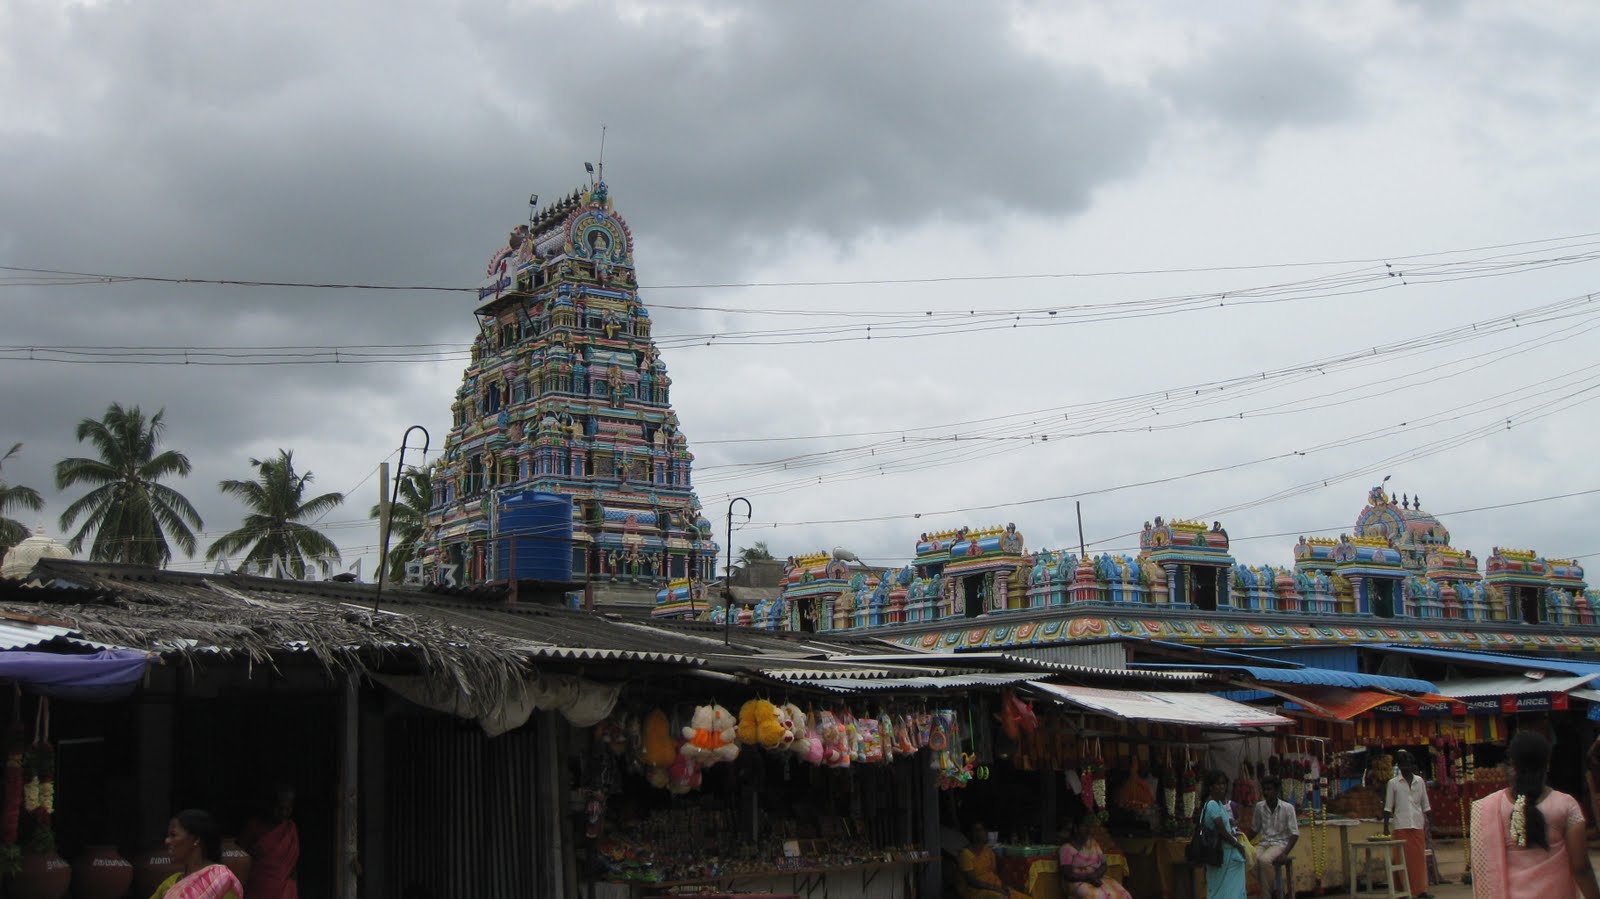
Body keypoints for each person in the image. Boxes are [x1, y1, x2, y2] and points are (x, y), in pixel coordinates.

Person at [1471, 730, 1600, 899]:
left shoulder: (1489, 807)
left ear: (1512, 764)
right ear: (1547, 764)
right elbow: (1581, 868)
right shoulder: (1565, 805)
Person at [151, 809, 245, 899]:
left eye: (173, 835)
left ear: (196, 839)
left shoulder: (221, 880)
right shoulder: (171, 882)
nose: (167, 841)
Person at [1381, 750, 1432, 899]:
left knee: (1418, 861)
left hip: (1417, 825)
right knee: (1402, 860)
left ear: (1412, 765)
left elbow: (1426, 805)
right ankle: (1403, 890)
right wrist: (1385, 828)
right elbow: (1388, 807)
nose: (1405, 768)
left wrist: (1431, 825)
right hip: (1400, 826)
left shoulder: (1420, 781)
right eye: (1401, 765)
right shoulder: (1393, 783)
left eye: (1407, 765)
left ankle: (1420, 891)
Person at [239, 782, 300, 899]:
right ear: (270, 805)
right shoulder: (254, 827)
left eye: (288, 809)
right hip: (258, 888)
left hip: (285, 890)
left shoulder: (290, 829)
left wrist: (292, 890)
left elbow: (293, 865)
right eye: (280, 808)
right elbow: (239, 857)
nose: (283, 813)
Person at [1249, 775, 1300, 899]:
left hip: (1280, 844)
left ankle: (1266, 895)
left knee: (1264, 860)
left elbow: (1294, 834)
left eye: (1269, 789)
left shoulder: (1288, 808)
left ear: (1276, 791)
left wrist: (1285, 853)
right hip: (1264, 843)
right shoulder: (1259, 807)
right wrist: (1243, 843)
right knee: (1249, 858)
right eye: (1264, 790)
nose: (1266, 792)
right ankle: (1273, 890)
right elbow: (1255, 829)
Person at [1058, 815, 1131, 899]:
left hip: (1096, 879)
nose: (1088, 829)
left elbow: (1104, 865)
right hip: (1076, 882)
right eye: (1084, 826)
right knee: (1098, 896)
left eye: (1088, 826)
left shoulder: (1093, 843)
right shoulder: (1066, 848)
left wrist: (1095, 876)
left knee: (1122, 894)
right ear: (1076, 828)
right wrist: (1088, 878)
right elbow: (1067, 874)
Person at [1200, 770, 1247, 899]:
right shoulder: (1212, 804)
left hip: (1224, 852)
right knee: (1221, 889)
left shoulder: (1219, 804)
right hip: (1220, 853)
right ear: (1210, 787)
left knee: (1228, 888)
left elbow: (1226, 824)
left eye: (1224, 783)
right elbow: (1222, 831)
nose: (1222, 787)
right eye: (1218, 784)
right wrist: (1238, 845)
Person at [956, 820, 1028, 899]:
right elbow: (973, 882)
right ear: (971, 834)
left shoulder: (988, 851)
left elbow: (994, 873)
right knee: (1001, 897)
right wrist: (996, 888)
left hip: (994, 886)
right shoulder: (965, 854)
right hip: (976, 890)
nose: (983, 832)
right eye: (978, 830)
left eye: (983, 829)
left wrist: (1002, 886)